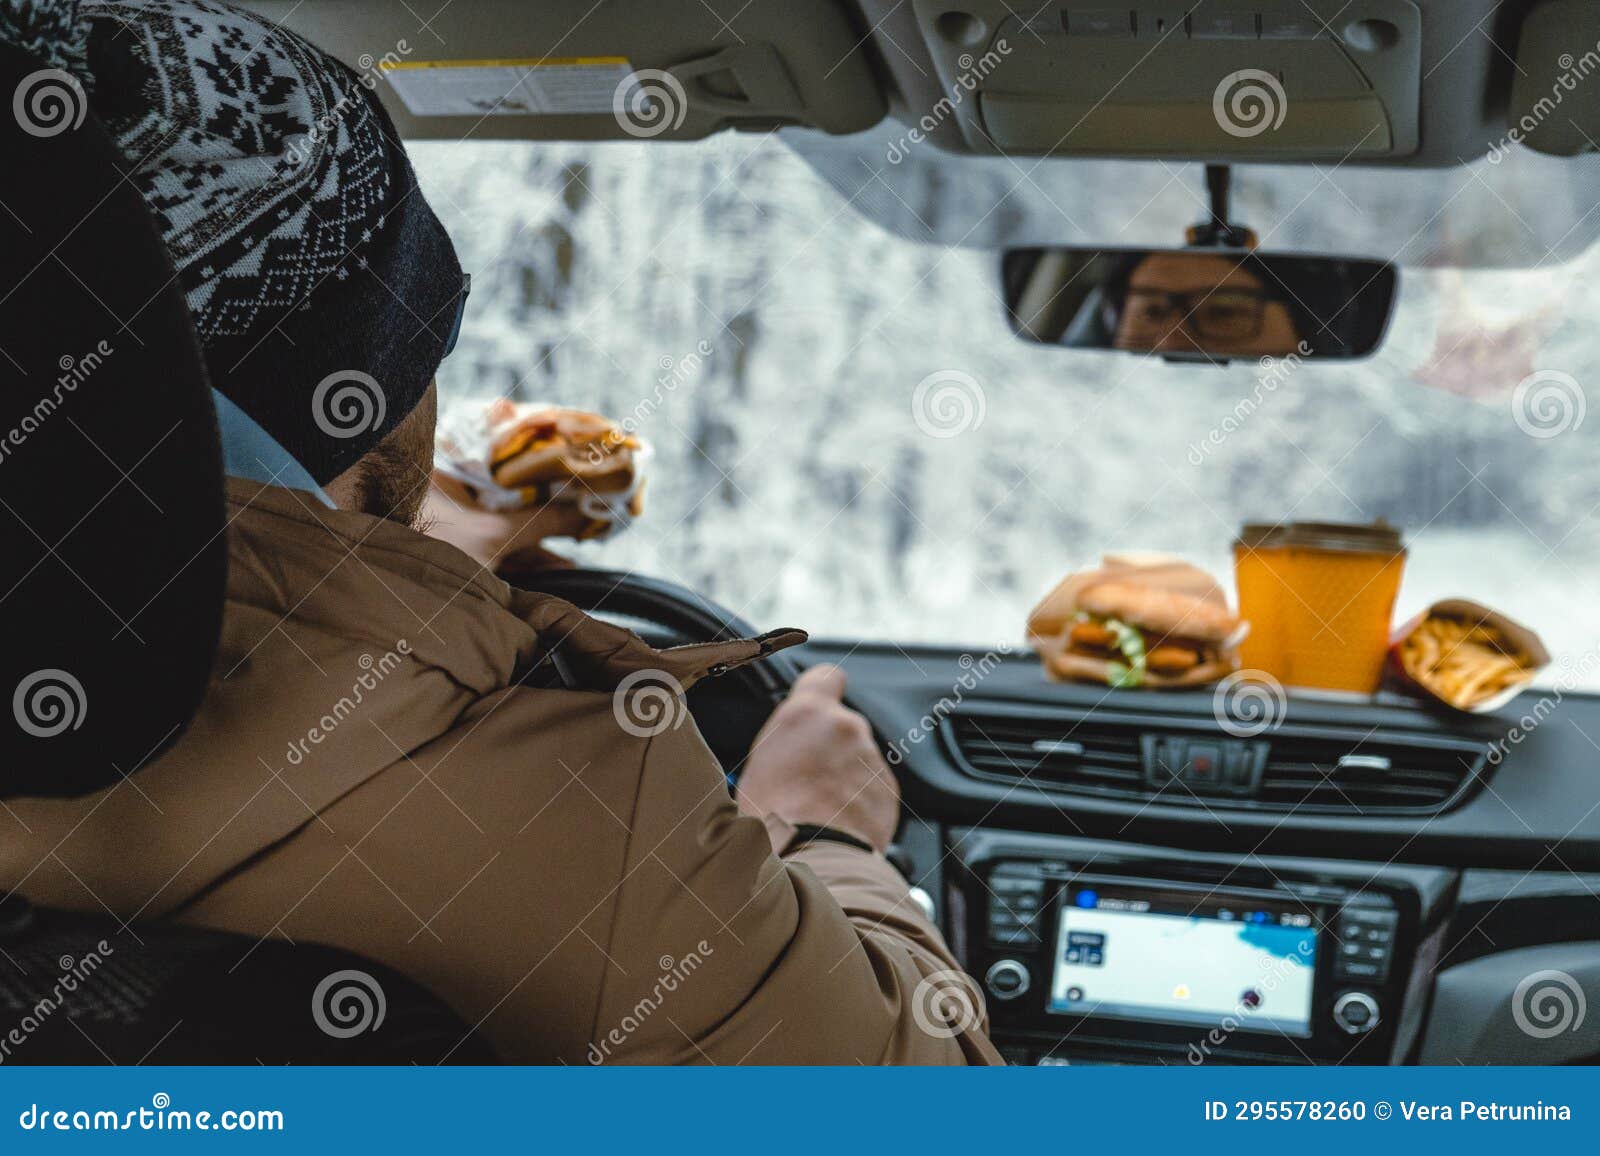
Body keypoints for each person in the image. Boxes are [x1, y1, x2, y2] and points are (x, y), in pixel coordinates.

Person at [0, 0, 999, 1064]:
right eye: (430, 336)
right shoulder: (565, 811)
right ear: (360, 382)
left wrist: (391, 601)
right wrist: (827, 835)